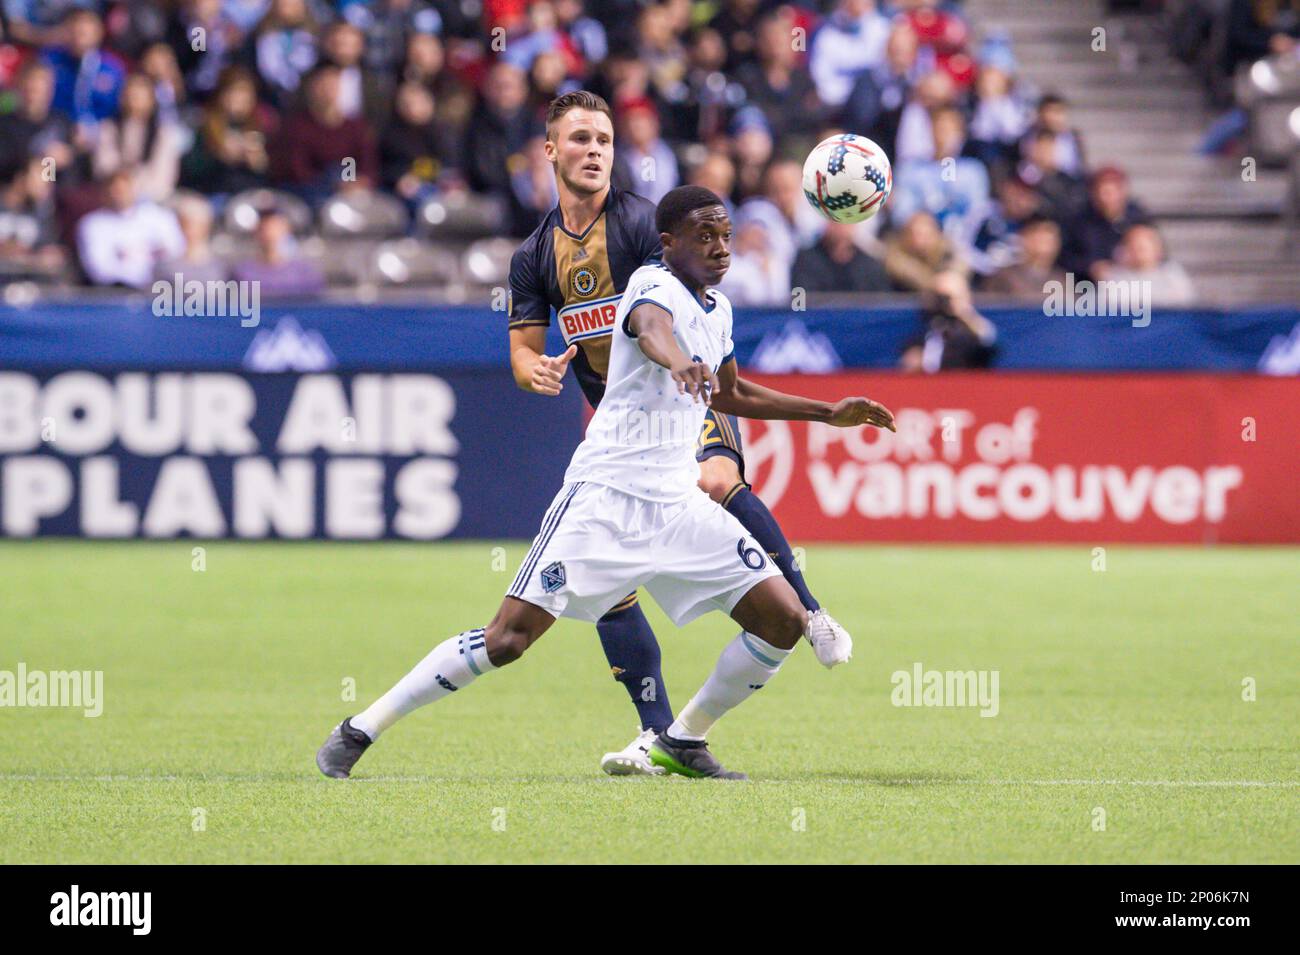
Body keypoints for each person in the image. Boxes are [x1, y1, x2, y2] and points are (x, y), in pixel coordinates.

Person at [317, 184, 896, 782]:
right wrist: (677, 363)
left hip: (676, 503)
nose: (721, 248)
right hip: (605, 496)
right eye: (705, 236)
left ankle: (682, 740)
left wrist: (828, 412)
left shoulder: (718, 309)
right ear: (668, 244)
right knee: (509, 639)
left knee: (781, 620)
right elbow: (651, 330)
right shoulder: (652, 285)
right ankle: (361, 727)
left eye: (725, 236)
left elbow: (731, 392)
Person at [506, 91, 861, 776]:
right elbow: (522, 350)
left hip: (692, 393)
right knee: (612, 581)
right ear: (550, 150)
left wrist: (686, 365)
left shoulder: (645, 224)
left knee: (718, 478)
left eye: (603, 139)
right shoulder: (534, 255)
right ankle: (659, 732)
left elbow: (676, 307)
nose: (594, 151)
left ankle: (812, 611)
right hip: (620, 418)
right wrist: (535, 371)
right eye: (579, 138)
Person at [77, 167, 185, 288]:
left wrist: (133, 259)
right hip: (115, 292)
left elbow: (176, 252)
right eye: (115, 190)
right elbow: (100, 270)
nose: (119, 195)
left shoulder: (160, 217)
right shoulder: (92, 224)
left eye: (124, 189)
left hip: (162, 288)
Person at [899, 269, 997, 371]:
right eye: (938, 296)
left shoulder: (970, 336)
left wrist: (965, 312)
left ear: (966, 297)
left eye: (947, 297)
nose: (943, 302)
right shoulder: (921, 334)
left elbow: (990, 346)